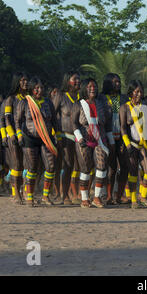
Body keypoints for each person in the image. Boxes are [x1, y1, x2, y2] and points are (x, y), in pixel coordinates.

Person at [15, 77, 59, 207]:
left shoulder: (48, 102)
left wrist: (57, 136)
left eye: (41, 88)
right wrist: (18, 135)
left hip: (46, 138)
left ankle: (45, 196)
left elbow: (54, 121)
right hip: (30, 139)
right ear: (31, 89)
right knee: (32, 167)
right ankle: (29, 196)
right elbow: (17, 120)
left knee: (50, 166)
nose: (40, 90)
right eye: (36, 88)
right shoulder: (24, 102)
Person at [72, 78, 113, 208]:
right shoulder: (78, 104)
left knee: (102, 167)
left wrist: (110, 139)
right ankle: (84, 199)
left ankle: (97, 197)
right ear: (84, 88)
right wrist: (79, 137)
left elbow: (107, 123)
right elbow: (73, 123)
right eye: (90, 86)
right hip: (83, 141)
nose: (92, 88)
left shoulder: (101, 103)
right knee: (85, 169)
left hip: (99, 140)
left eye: (94, 86)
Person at [120, 80, 147, 208]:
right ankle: (134, 199)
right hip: (132, 144)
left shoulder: (146, 106)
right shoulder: (124, 108)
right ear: (131, 93)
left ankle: (143, 196)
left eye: (141, 91)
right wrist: (127, 144)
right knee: (133, 172)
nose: (139, 94)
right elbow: (123, 127)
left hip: (146, 144)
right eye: (136, 92)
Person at [99, 73, 130, 205]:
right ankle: (109, 195)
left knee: (124, 166)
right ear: (107, 83)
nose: (118, 84)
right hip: (107, 136)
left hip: (122, 136)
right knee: (111, 168)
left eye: (119, 82)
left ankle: (119, 195)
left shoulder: (123, 98)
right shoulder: (101, 98)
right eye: (115, 82)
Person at [52, 71, 81, 205]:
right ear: (67, 81)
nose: (78, 81)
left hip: (79, 137)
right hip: (64, 135)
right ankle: (63, 195)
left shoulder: (80, 98)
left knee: (76, 166)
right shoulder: (61, 96)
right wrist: (56, 135)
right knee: (66, 165)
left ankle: (71, 192)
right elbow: (52, 115)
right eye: (74, 79)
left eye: (79, 79)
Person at [2, 72, 29, 204]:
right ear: (17, 82)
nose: (25, 83)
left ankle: (25, 190)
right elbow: (7, 118)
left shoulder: (29, 98)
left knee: (27, 164)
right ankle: (16, 192)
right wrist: (11, 134)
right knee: (17, 164)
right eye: (22, 80)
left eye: (26, 80)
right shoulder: (10, 99)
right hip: (13, 135)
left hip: (27, 135)